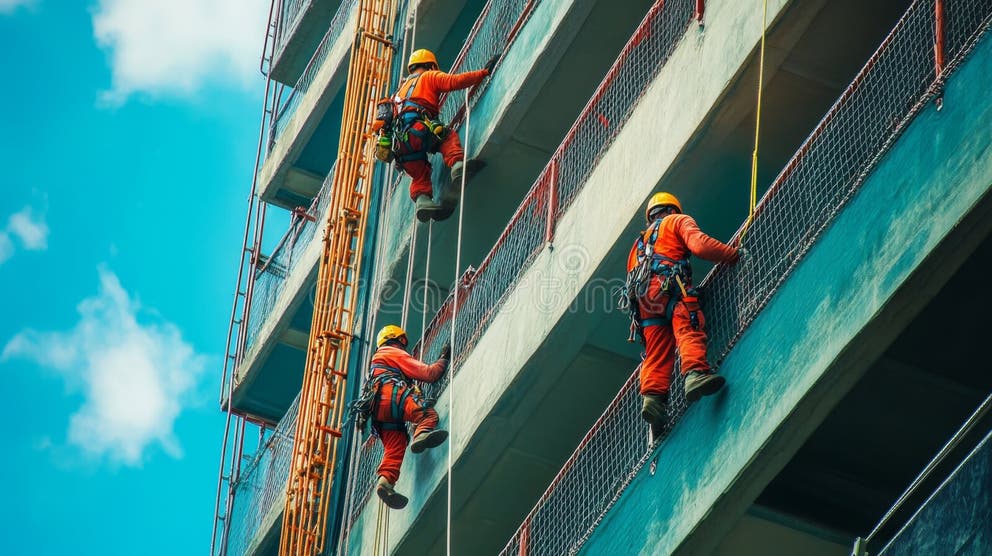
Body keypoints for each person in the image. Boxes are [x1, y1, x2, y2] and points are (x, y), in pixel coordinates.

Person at [624, 192, 742, 436]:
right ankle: (695, 375)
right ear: (672, 210)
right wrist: (732, 254)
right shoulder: (678, 221)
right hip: (670, 289)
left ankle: (653, 401)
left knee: (656, 351)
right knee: (689, 326)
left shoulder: (637, 247)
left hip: (645, 305)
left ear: (650, 216)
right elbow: (700, 245)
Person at [383, 48, 497, 222]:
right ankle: (458, 166)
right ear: (430, 65)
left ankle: (423, 201)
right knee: (446, 137)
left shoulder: (396, 95)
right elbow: (455, 82)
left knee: (419, 172)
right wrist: (483, 73)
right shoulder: (429, 77)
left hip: (400, 146)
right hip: (419, 129)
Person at [368, 324, 450, 509]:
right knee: (427, 415)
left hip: (378, 413)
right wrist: (444, 359)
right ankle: (421, 434)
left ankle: (385, 483)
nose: (404, 347)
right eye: (403, 342)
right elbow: (429, 374)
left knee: (395, 446)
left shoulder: (376, 366)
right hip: (391, 396)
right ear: (397, 339)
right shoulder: (391, 352)